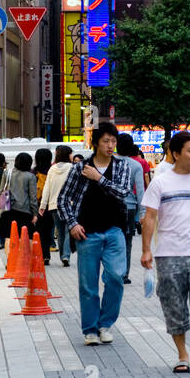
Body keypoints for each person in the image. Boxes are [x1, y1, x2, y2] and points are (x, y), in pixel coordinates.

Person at [141, 131, 190, 373]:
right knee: (173, 304)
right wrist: (146, 250)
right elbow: (150, 217)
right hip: (168, 254)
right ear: (175, 154)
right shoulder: (160, 182)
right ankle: (182, 354)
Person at [57, 120, 131, 345]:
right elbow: (62, 199)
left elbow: (122, 192)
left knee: (116, 277)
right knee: (88, 284)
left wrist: (98, 178)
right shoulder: (80, 168)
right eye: (106, 141)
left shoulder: (121, 166)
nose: (110, 145)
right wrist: (72, 224)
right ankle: (90, 329)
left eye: (113, 141)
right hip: (86, 233)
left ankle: (106, 324)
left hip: (115, 230)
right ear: (96, 143)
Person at [112, 134, 145, 285]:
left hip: (112, 206)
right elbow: (140, 191)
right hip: (130, 207)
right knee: (127, 241)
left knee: (111, 240)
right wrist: (142, 213)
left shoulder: (110, 162)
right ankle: (124, 274)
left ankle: (112, 272)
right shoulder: (136, 165)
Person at [37, 145, 74, 266]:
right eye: (71, 153)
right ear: (67, 155)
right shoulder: (71, 168)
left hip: (53, 206)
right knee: (69, 230)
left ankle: (63, 255)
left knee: (61, 232)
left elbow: (46, 188)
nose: (72, 156)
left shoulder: (52, 170)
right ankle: (65, 256)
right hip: (69, 205)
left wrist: (43, 206)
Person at [0, 151, 37, 244]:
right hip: (24, 213)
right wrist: (35, 213)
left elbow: (1, 191)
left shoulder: (7, 173)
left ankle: (10, 258)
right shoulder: (31, 177)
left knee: (8, 238)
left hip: (8, 210)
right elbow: (33, 197)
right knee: (24, 240)